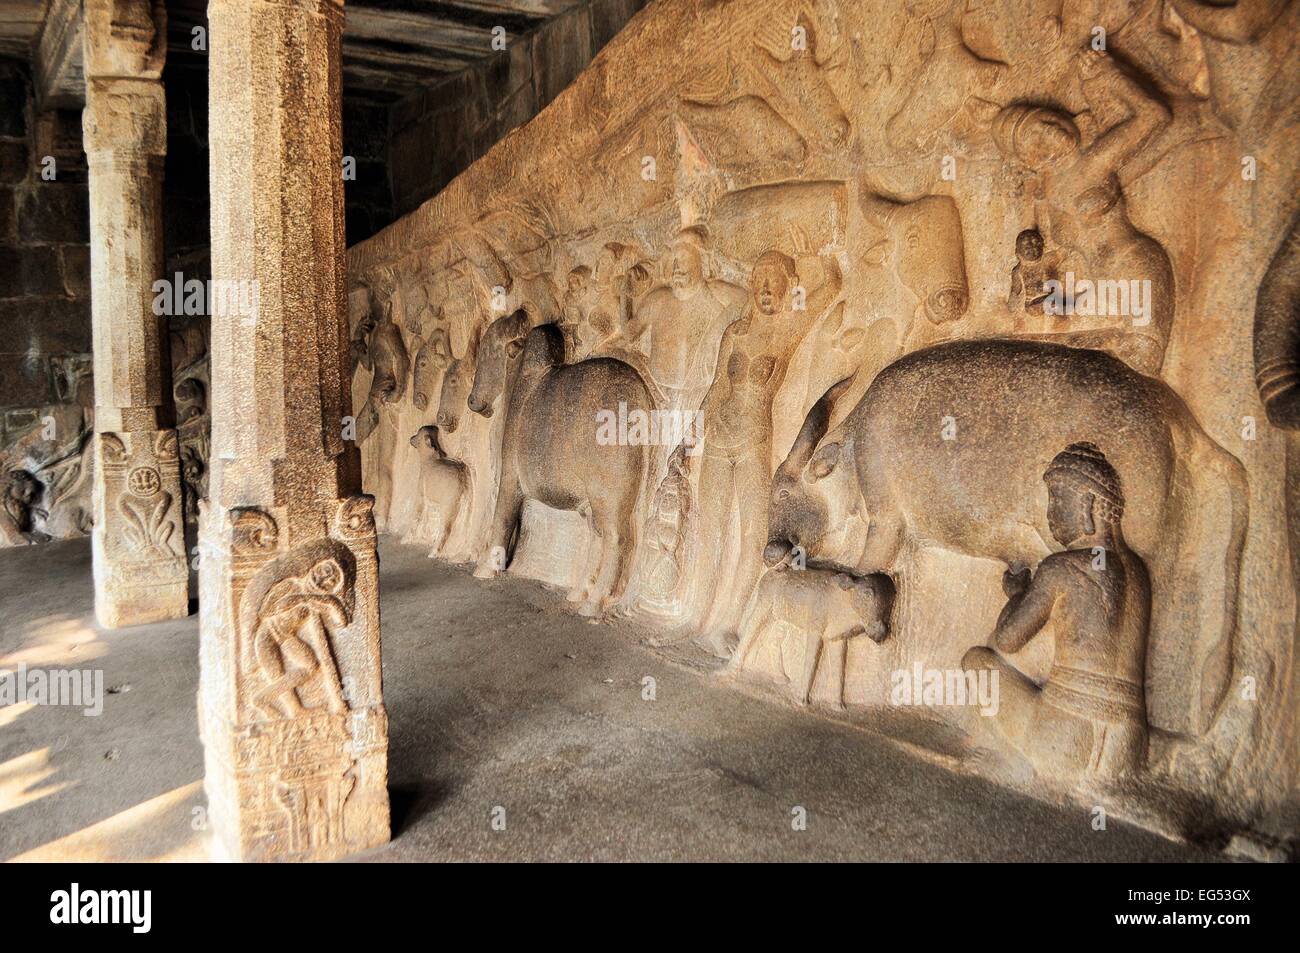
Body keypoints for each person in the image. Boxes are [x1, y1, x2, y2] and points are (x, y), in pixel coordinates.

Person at [963, 442, 1150, 780]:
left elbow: (1007, 640)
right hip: (1127, 746)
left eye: (1057, 500)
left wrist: (1016, 594)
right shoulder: (1138, 573)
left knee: (977, 662)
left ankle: (1011, 762)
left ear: (1088, 503)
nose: (1051, 514)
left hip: (1065, 735)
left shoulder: (1061, 568)